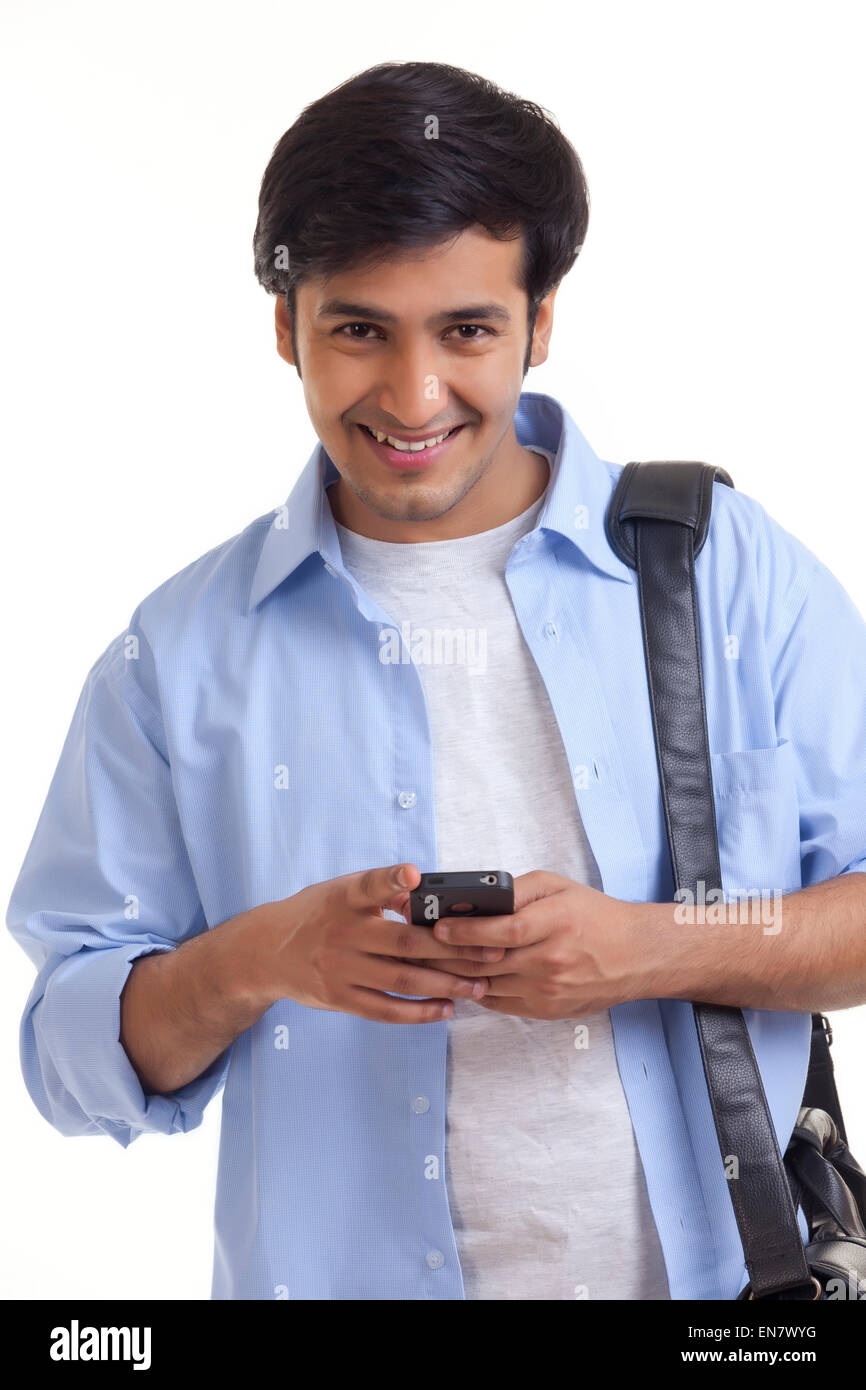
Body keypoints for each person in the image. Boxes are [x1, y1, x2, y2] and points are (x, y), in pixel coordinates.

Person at [7, 60, 866, 1302]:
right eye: (358, 328)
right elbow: (67, 1054)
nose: (412, 399)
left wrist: (646, 947)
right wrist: (266, 954)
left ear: (541, 318)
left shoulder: (727, 572)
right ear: (285, 325)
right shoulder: (180, 651)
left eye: (465, 330)